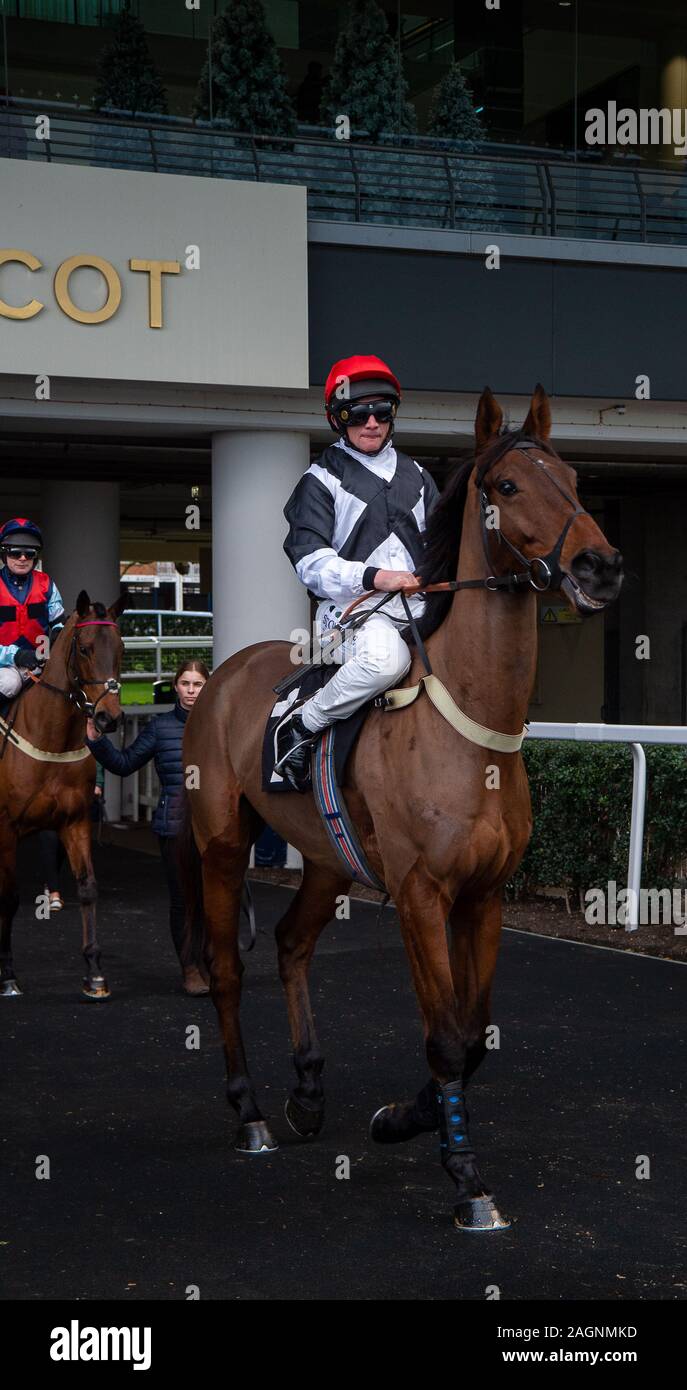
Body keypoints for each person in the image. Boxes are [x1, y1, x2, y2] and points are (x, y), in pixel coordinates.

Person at [277, 354, 439, 789]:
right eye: (357, 413)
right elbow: (309, 560)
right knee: (387, 661)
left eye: (381, 412)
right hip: (351, 613)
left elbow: (441, 546)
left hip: (418, 608)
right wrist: (374, 577)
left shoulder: (419, 477)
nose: (371, 423)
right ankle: (301, 726)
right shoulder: (319, 479)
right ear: (337, 418)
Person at [85, 659, 210, 996]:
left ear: (206, 687)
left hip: (216, 828)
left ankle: (213, 961)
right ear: (176, 685)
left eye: (197, 684)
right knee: (183, 901)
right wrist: (97, 741)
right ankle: (190, 968)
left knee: (214, 898)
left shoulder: (219, 723)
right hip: (174, 827)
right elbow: (124, 765)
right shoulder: (160, 727)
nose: (190, 691)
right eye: (185, 683)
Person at [0, 517, 66, 700]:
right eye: (15, 553)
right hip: (4, 667)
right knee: (8, 684)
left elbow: (58, 623)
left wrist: (57, 634)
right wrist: (17, 655)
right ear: (4, 554)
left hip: (42, 662)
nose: (22, 558)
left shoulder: (47, 584)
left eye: (29, 553)